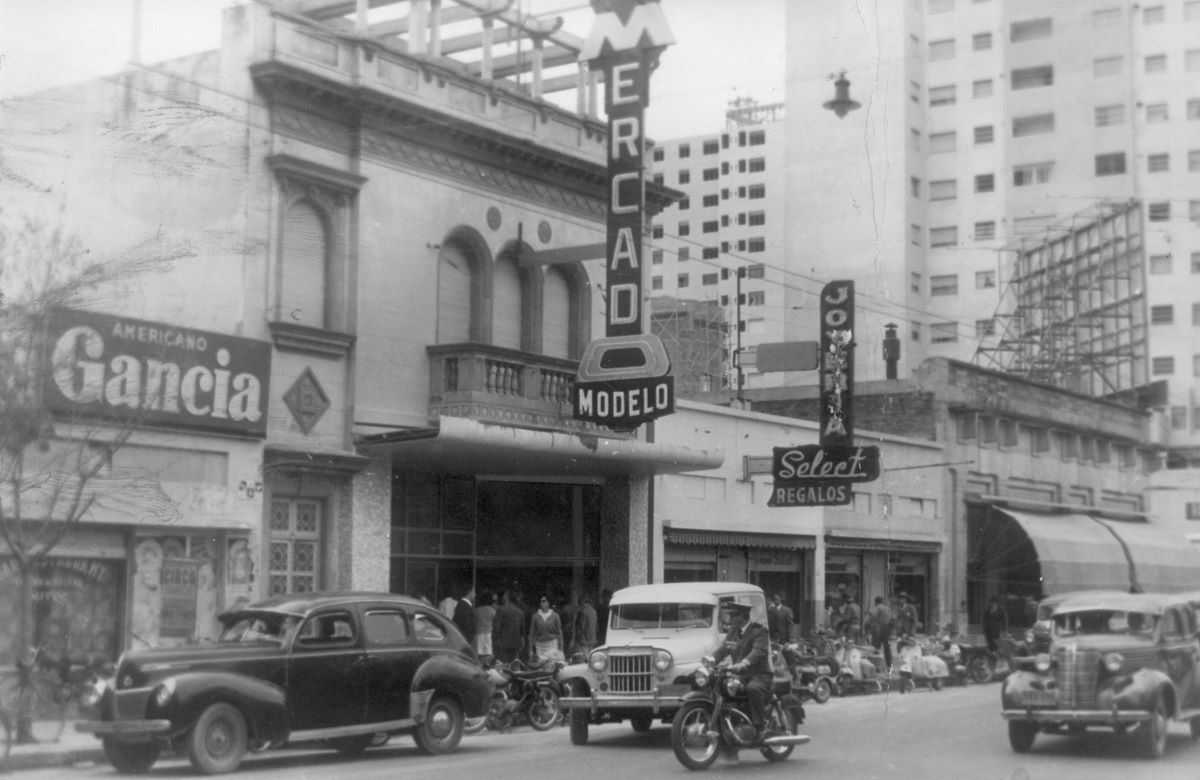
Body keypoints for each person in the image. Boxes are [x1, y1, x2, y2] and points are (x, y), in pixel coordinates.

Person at [712, 602, 775, 743]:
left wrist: (744, 663)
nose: (731, 618)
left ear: (744, 616)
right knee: (722, 689)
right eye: (730, 615)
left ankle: (761, 727)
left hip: (760, 675)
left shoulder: (759, 631)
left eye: (734, 615)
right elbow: (724, 650)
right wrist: (710, 660)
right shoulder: (733, 631)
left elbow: (758, 651)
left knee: (753, 689)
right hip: (740, 676)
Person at [528, 594, 564, 663]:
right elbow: (532, 633)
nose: (541, 603)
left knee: (552, 664)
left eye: (544, 601)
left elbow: (559, 633)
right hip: (540, 645)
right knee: (541, 665)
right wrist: (530, 650)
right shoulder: (535, 616)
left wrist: (561, 649)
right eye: (540, 601)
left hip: (552, 644)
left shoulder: (555, 616)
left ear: (549, 603)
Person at [493, 590, 525, 663]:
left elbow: (496, 628)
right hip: (516, 644)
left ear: (507, 597)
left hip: (503, 643)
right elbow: (522, 631)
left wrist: (495, 641)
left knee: (503, 666)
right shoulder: (520, 612)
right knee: (514, 665)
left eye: (504, 596)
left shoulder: (501, 609)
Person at [867, 596, 894, 670]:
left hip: (878, 629)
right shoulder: (887, 608)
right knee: (887, 648)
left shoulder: (877, 608)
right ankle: (889, 665)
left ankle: (876, 666)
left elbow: (873, 616)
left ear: (876, 602)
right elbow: (891, 618)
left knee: (875, 648)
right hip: (887, 629)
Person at [573, 592, 598, 658]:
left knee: (583, 657)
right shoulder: (593, 610)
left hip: (583, 639)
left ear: (583, 601)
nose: (578, 602)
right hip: (592, 638)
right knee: (590, 656)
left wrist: (576, 638)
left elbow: (581, 626)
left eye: (579, 600)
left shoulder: (582, 611)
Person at [474, 590, 496, 661]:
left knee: (479, 654)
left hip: (479, 633)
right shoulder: (493, 611)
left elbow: (474, 622)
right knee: (488, 654)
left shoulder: (477, 610)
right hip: (489, 634)